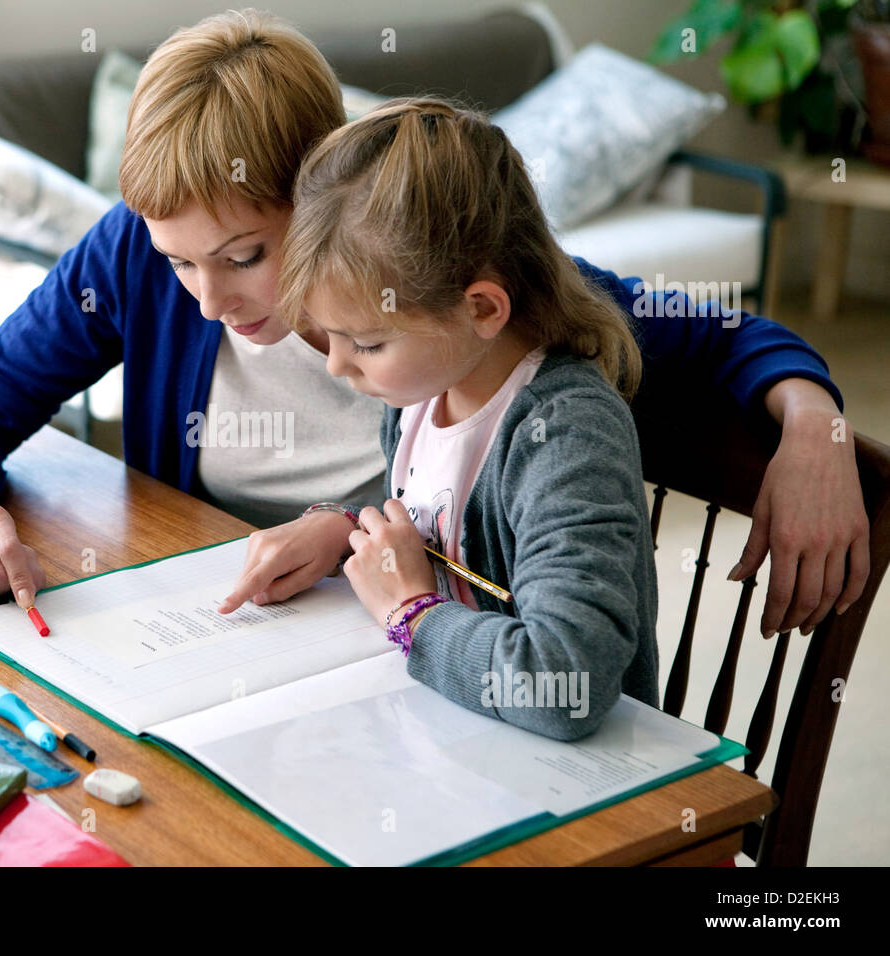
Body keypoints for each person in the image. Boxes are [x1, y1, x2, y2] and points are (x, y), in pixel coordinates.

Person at [0, 8, 868, 645]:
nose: (206, 300)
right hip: (234, 639)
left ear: (325, 198)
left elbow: (724, 336)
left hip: (432, 661)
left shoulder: (437, 285)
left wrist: (818, 429)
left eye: (245, 256)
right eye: (176, 261)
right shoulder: (128, 258)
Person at [256, 96, 655, 738]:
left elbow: (566, 684)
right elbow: (434, 527)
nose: (336, 366)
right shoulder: (423, 394)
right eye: (328, 335)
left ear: (482, 310)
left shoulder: (566, 435)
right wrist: (344, 528)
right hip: (448, 735)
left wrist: (412, 615)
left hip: (566, 794)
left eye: (367, 342)